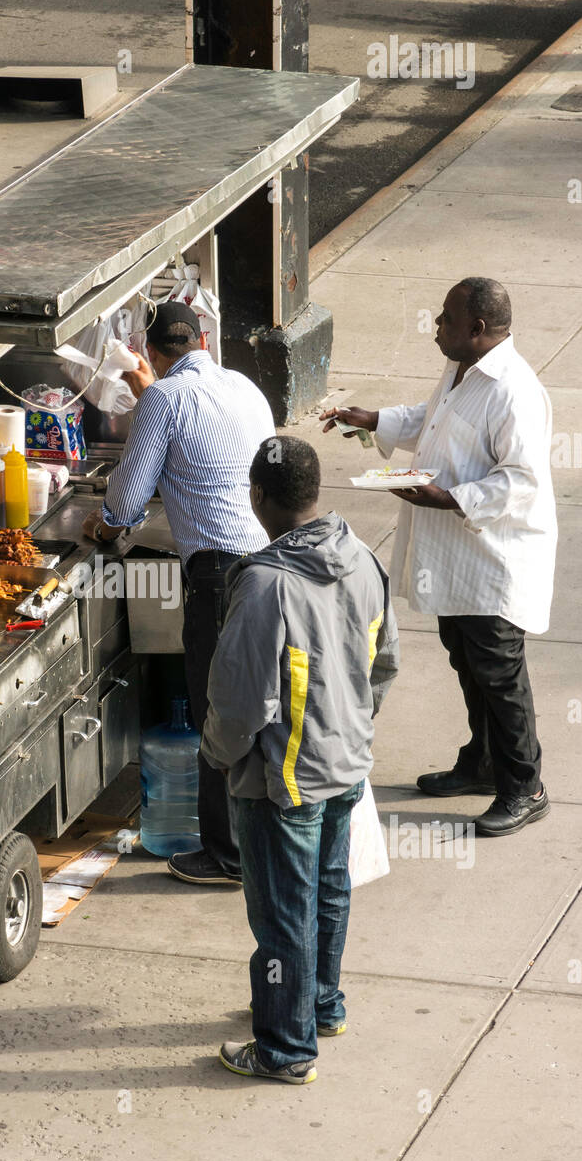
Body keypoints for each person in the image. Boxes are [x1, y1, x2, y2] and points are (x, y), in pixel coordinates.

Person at [322, 277, 556, 838]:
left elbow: (521, 480)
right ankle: (482, 762)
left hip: (491, 562)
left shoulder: (512, 391)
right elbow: (432, 419)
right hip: (456, 561)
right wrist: (375, 419)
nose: (435, 327)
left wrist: (450, 498)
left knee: (499, 676)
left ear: (477, 329)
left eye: (445, 319)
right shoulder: (461, 369)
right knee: (469, 662)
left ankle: (526, 787)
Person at [203, 434, 398, 1084]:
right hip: (344, 763)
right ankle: (320, 1006)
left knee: (283, 914)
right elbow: (382, 662)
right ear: (311, 494)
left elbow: (239, 702)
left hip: (282, 781)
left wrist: (218, 756)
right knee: (328, 891)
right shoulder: (363, 558)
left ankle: (285, 1049)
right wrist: (349, 728)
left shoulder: (264, 585)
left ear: (256, 497)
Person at [82, 300, 275, 885]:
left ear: (154, 354)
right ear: (204, 341)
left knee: (218, 714)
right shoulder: (243, 385)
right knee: (256, 707)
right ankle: (259, 841)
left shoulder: (164, 399)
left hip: (218, 578)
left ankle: (228, 857)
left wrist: (103, 527)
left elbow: (127, 500)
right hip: (268, 562)